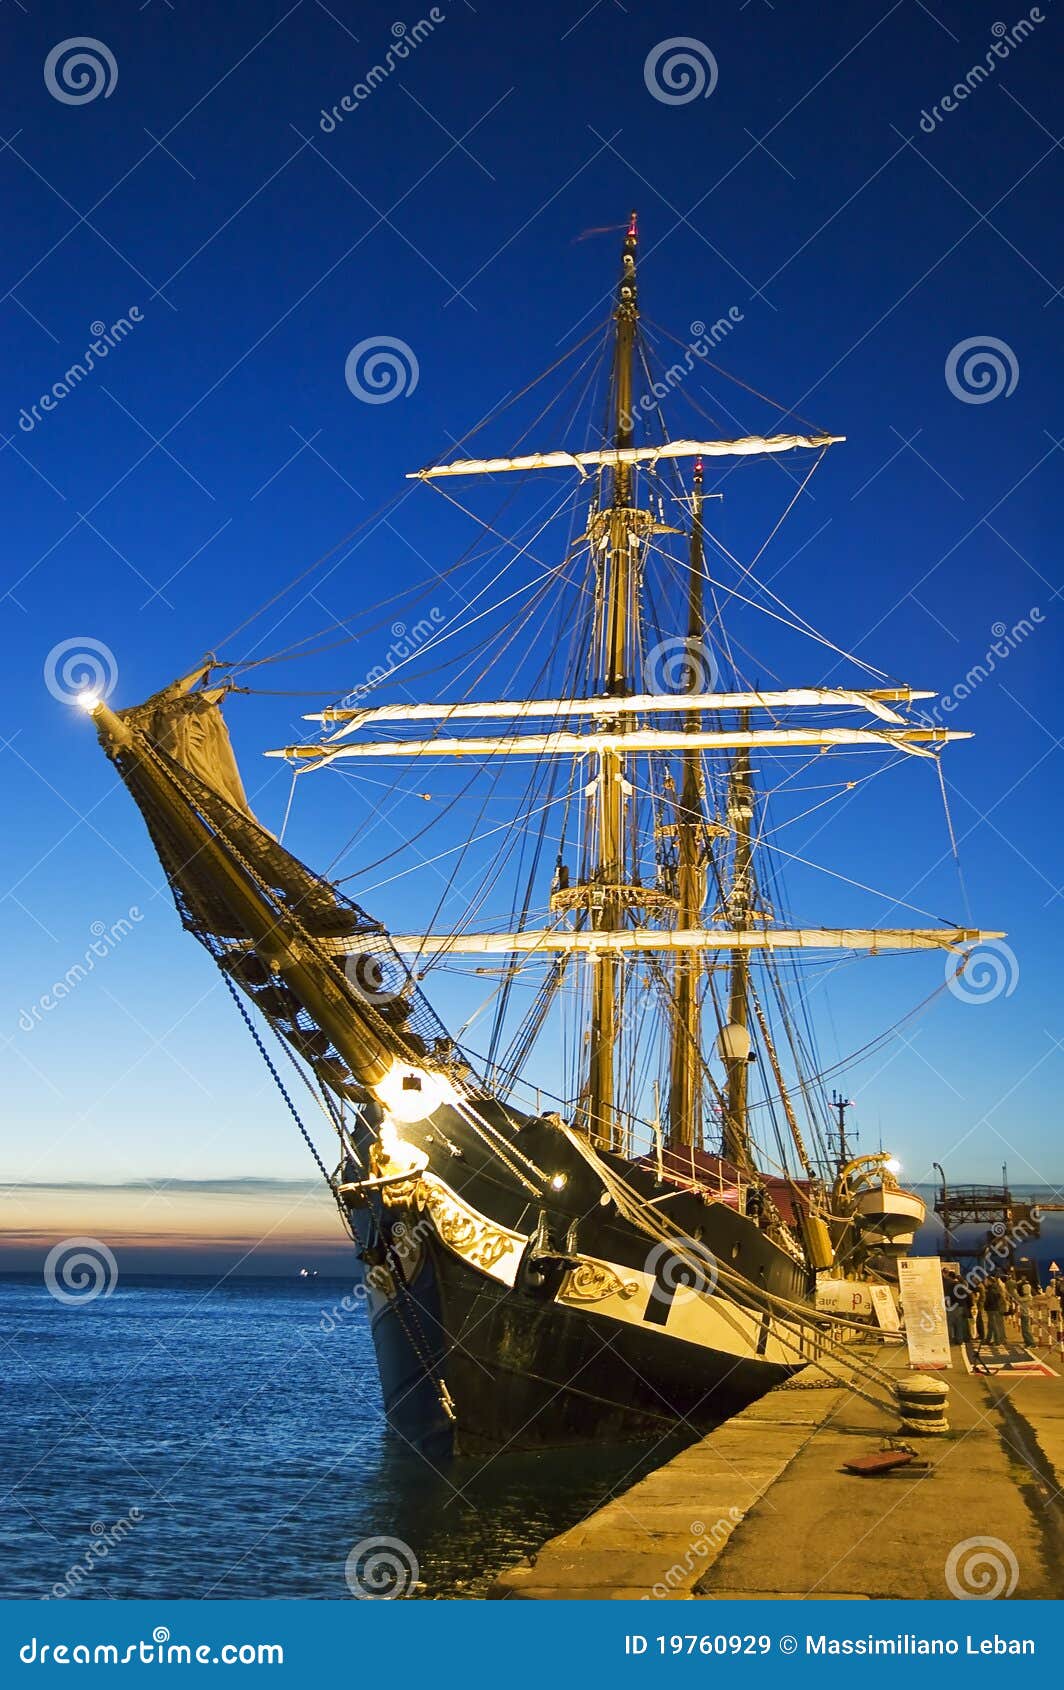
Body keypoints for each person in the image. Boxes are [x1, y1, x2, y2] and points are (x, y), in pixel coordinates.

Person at [983, 1274, 1008, 1345]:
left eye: (986, 1280)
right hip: (994, 1308)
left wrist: (986, 1305)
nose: (985, 1282)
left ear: (989, 1281)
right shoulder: (994, 1288)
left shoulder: (992, 1290)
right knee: (990, 1325)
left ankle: (997, 1341)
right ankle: (988, 1339)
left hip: (992, 1309)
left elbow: (991, 1300)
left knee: (994, 1325)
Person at [1016, 1278, 1034, 1347]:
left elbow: (1019, 1299)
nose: (1022, 1290)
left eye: (1023, 1289)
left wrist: (1014, 1292)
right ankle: (1027, 1342)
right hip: (1023, 1314)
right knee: (1024, 1330)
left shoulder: (1028, 1297)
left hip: (1026, 1315)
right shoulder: (1025, 1296)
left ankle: (1031, 1343)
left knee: (1027, 1330)